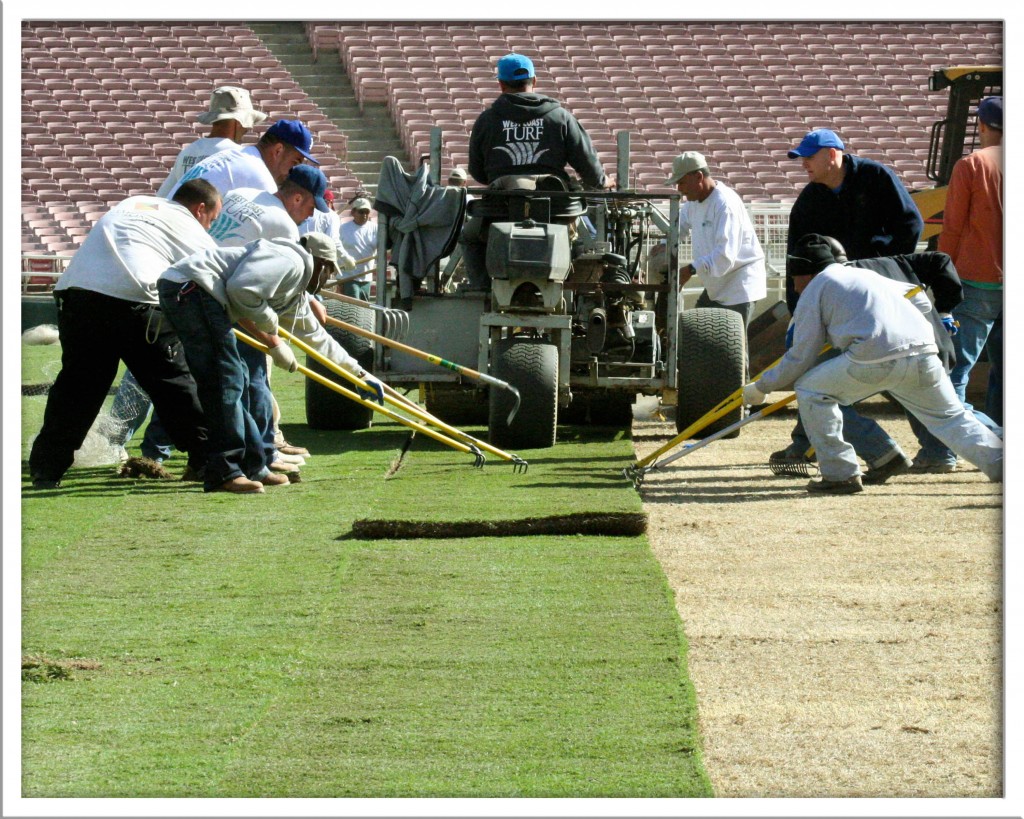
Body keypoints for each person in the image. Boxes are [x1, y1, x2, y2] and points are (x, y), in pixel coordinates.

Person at [743, 235, 1002, 494]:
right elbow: (921, 299)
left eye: (795, 279)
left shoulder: (816, 287)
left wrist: (761, 387)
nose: (795, 288)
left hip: (872, 357)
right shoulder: (872, 276)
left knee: (811, 390)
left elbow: (801, 355)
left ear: (806, 273)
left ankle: (840, 473)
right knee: (951, 418)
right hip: (923, 351)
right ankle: (1002, 464)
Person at [108, 86, 269, 460]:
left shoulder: (188, 153)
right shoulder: (242, 160)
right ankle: (229, 448)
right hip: (205, 268)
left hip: (164, 261)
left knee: (156, 358)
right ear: (237, 124)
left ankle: (118, 436)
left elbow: (163, 199)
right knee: (206, 366)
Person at [28, 180, 222, 489]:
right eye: (212, 220)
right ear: (200, 209)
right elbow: (217, 272)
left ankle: (46, 468)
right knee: (174, 384)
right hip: (134, 299)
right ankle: (208, 459)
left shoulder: (134, 203)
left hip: (77, 294)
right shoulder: (187, 223)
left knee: (77, 388)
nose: (209, 227)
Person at [157, 233, 385, 494]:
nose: (328, 280)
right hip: (191, 288)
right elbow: (242, 290)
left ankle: (254, 466)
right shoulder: (291, 261)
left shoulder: (293, 291)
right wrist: (274, 335)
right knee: (225, 381)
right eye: (329, 271)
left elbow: (318, 340)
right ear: (321, 263)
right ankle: (223, 471)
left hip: (199, 293)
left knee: (237, 380)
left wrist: (360, 374)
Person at [773, 128, 925, 469]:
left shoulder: (876, 177)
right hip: (837, 300)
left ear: (831, 154)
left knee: (895, 380)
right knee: (815, 376)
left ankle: (927, 449)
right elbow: (797, 261)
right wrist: (799, 310)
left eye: (809, 158)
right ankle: (804, 442)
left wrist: (876, 263)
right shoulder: (809, 201)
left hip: (882, 291)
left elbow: (911, 225)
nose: (804, 166)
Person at [205, 164, 336, 476]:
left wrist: (310, 298)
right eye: (310, 207)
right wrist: (303, 308)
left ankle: (172, 452)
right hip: (236, 299)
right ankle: (264, 453)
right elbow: (281, 276)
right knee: (254, 377)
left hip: (202, 288)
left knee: (205, 377)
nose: (309, 216)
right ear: (297, 198)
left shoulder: (241, 194)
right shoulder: (284, 228)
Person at [462, 53, 613, 290]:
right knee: (590, 240)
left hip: (499, 214)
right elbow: (590, 171)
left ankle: (481, 292)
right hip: (556, 214)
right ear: (534, 79)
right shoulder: (560, 117)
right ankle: (575, 291)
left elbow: (478, 173)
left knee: (468, 237)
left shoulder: (487, 120)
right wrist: (604, 181)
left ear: (501, 84)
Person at [917, 96, 1004, 472]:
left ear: (982, 126)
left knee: (955, 374)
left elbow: (951, 228)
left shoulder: (971, 165)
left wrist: (940, 278)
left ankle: (945, 451)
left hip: (977, 282)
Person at [666, 151, 766, 329]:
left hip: (738, 287)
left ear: (698, 176)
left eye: (681, 182)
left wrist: (690, 269)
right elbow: (677, 229)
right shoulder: (693, 202)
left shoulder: (725, 204)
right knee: (696, 335)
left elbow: (725, 257)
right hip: (717, 286)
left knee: (731, 349)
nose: (679, 189)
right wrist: (662, 245)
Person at [156, 86, 267, 197]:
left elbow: (163, 196)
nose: (247, 129)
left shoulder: (188, 152)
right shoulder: (239, 155)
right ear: (238, 121)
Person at [168, 118, 318, 200]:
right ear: (278, 150)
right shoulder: (259, 176)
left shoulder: (239, 155)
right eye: (295, 162)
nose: (292, 172)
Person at [338, 197, 379, 301]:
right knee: (352, 307)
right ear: (353, 212)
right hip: (348, 277)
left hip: (366, 276)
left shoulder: (375, 228)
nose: (364, 215)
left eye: (367, 212)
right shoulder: (343, 228)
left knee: (364, 308)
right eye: (361, 212)